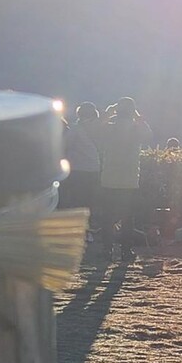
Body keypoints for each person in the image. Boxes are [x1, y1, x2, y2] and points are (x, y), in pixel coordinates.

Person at [98, 97, 152, 259]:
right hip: (129, 180)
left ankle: (107, 249)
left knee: (107, 217)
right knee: (128, 218)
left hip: (109, 178)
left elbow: (96, 129)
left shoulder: (109, 128)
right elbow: (149, 134)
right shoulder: (137, 129)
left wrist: (109, 112)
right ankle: (126, 251)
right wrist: (138, 117)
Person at [61, 103, 102, 215]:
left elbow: (64, 144)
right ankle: (90, 225)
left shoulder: (76, 129)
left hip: (78, 168)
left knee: (77, 200)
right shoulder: (100, 127)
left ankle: (78, 226)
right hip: (94, 168)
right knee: (90, 200)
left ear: (79, 113)